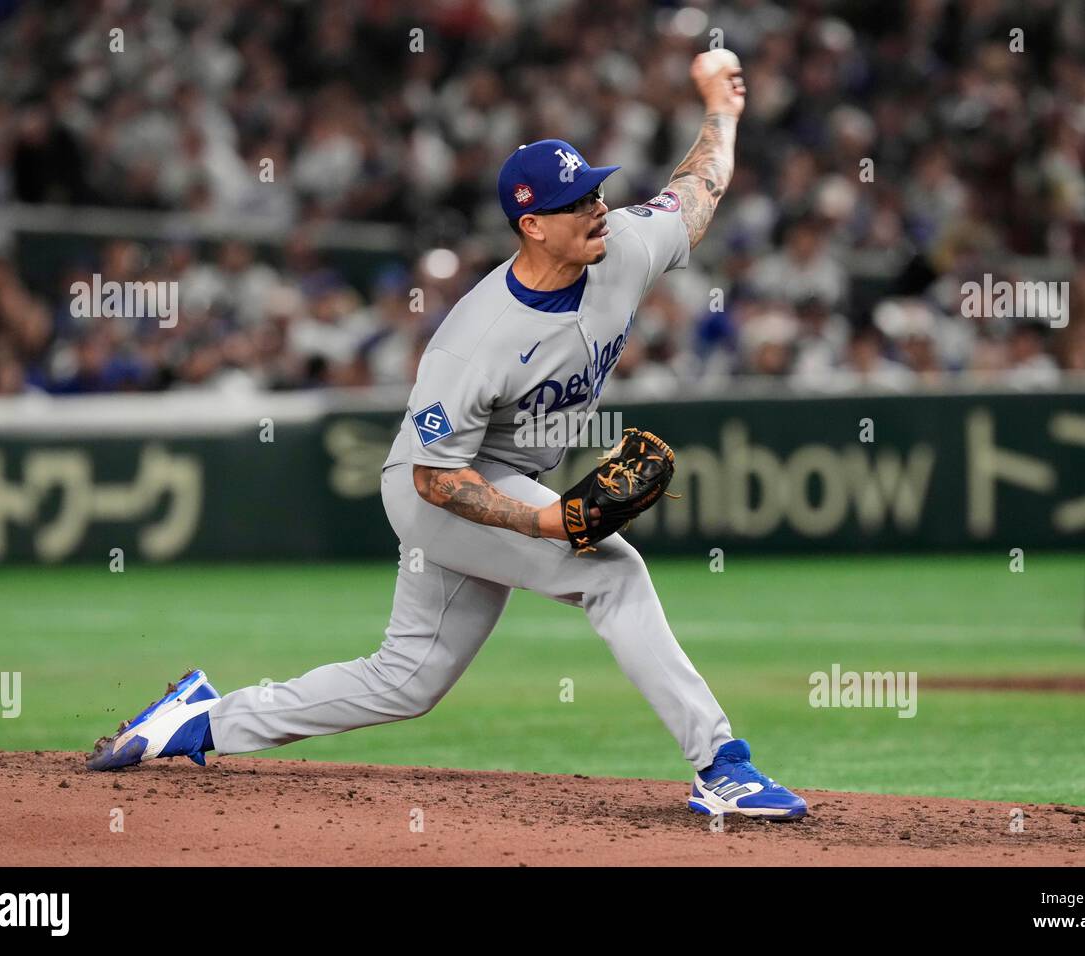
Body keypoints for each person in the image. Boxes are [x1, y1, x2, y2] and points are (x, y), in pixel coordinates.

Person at [87, 51, 808, 820]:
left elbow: (699, 190)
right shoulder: (476, 339)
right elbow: (436, 477)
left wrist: (721, 109)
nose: (597, 206)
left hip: (503, 475)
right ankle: (721, 766)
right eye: (576, 202)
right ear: (531, 225)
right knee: (612, 571)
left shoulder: (624, 245)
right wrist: (543, 520)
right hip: (437, 485)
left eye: (596, 189)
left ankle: (198, 720)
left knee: (408, 680)